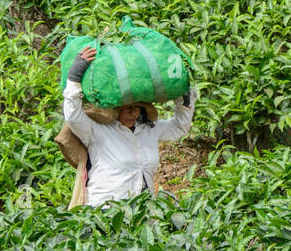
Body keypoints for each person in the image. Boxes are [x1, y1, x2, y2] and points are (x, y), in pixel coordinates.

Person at [63, 46, 197, 206]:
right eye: (128, 108)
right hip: (105, 210)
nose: (133, 113)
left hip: (143, 211)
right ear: (115, 110)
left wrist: (185, 98)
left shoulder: (148, 130)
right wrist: (74, 77)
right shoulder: (97, 131)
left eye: (137, 108)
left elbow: (179, 127)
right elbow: (72, 116)